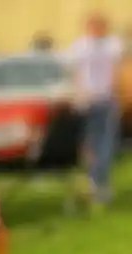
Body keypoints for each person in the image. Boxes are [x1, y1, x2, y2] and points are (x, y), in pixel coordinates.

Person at [65, 13, 125, 208]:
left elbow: (117, 73)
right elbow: (76, 74)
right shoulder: (81, 47)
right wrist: (78, 95)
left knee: (106, 144)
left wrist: (120, 96)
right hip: (89, 101)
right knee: (92, 143)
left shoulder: (112, 45)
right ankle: (95, 182)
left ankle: (101, 183)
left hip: (107, 100)